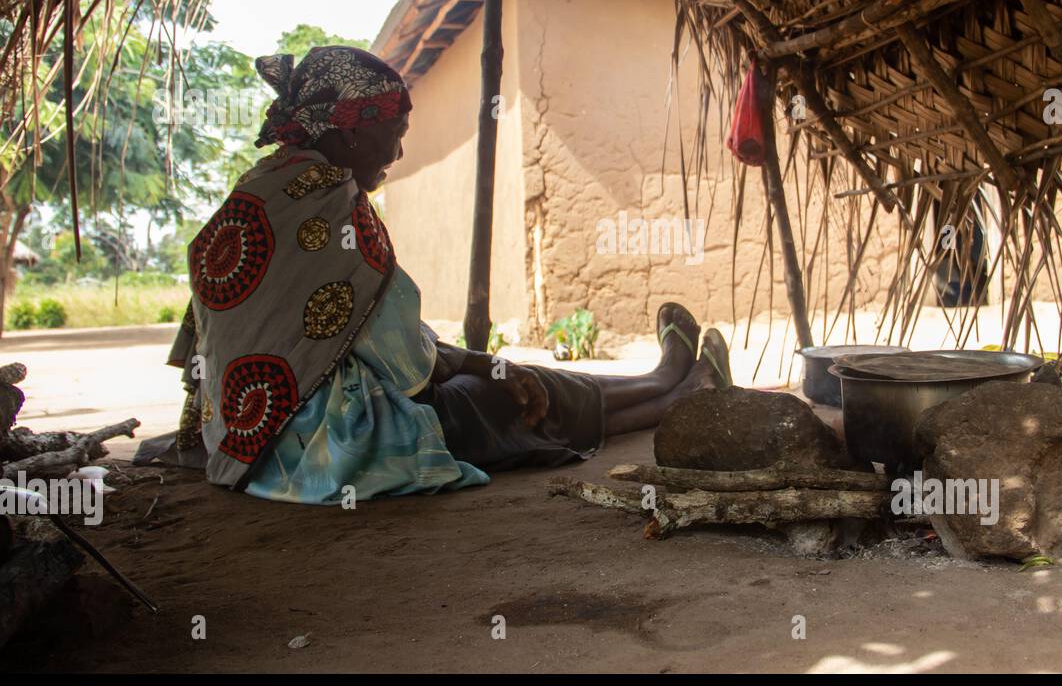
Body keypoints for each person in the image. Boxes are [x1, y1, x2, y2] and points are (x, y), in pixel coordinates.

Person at [159, 45, 731, 504]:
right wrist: (490, 369)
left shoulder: (260, 190)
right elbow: (410, 370)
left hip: (250, 449)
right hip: (329, 452)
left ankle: (666, 384)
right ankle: (673, 394)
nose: (399, 151)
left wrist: (487, 363)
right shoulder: (332, 201)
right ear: (352, 129)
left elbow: (343, 331)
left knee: (499, 376)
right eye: (395, 132)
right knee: (494, 394)